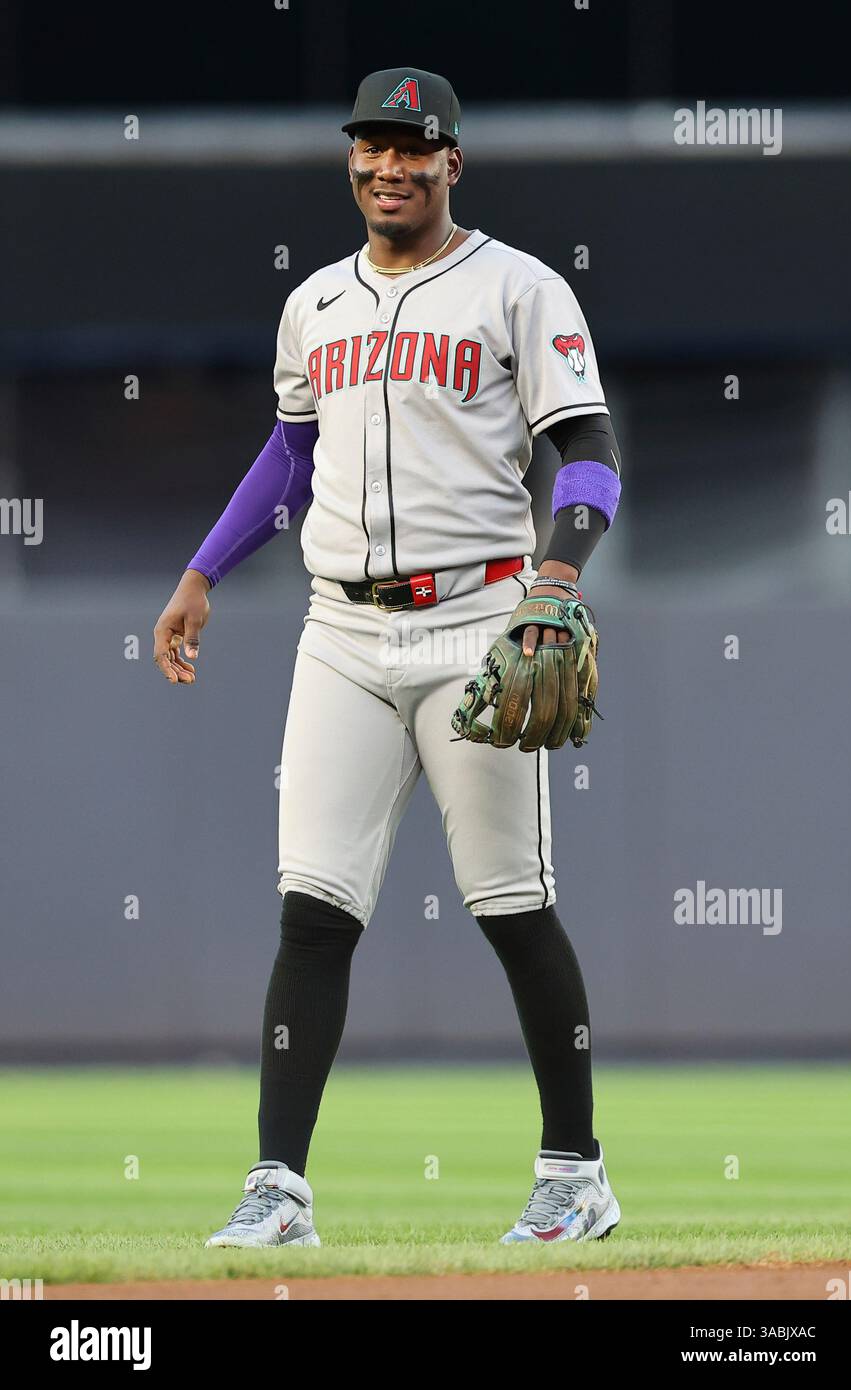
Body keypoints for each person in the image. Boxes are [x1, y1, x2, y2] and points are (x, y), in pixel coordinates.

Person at [153, 67, 623, 1248]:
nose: (389, 166)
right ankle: (278, 1190)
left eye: (413, 148)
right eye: (370, 146)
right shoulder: (313, 305)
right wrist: (204, 571)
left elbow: (590, 455)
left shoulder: (518, 288)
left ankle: (575, 1173)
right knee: (312, 910)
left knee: (512, 906)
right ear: (350, 161)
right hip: (343, 632)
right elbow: (288, 462)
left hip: (479, 621)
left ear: (450, 162)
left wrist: (551, 583)